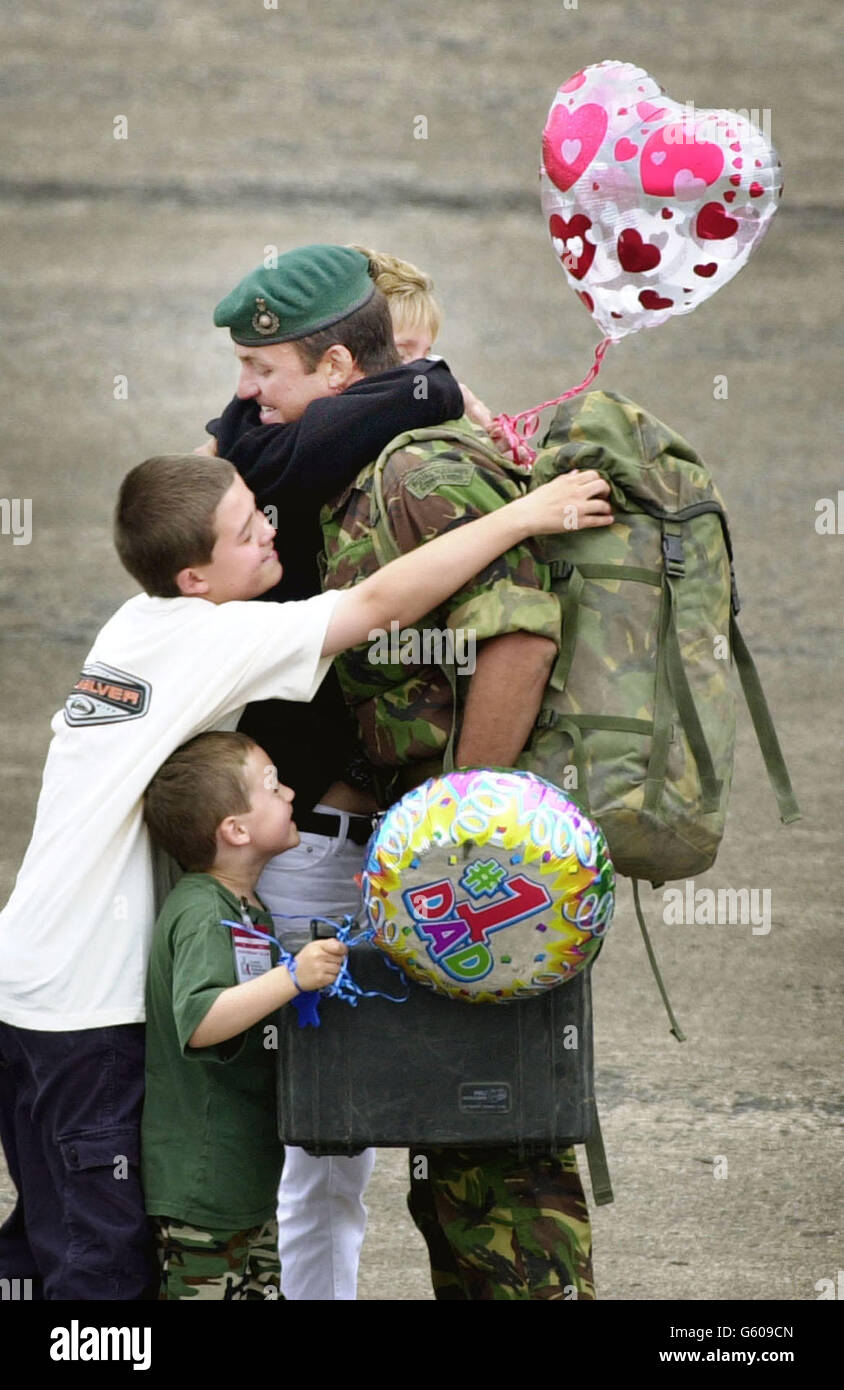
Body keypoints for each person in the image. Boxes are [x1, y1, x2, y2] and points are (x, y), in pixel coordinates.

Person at [0, 442, 607, 1300]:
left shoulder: (134, 628)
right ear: (194, 580)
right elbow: (372, 603)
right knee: (103, 1271)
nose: (269, 536)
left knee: (46, 1239)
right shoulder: (209, 637)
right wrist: (524, 515)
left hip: (28, 987)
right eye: (247, 534)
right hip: (88, 1013)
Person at [210, 245, 613, 1300]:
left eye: (264, 374)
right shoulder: (331, 457)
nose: (243, 397)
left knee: (489, 1140)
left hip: (466, 874)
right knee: (338, 1139)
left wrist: (453, 835)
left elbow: (518, 641)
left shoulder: (417, 471)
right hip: (402, 859)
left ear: (340, 367)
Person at [141, 730, 348, 1300]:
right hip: (204, 1191)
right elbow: (201, 1018)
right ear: (234, 830)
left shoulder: (242, 904)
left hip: (242, 1185)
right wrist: (292, 978)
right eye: (273, 785)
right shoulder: (205, 911)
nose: (291, 792)